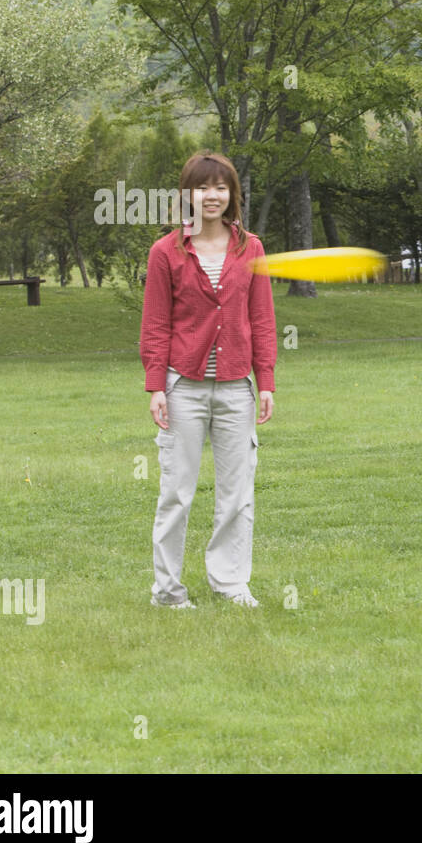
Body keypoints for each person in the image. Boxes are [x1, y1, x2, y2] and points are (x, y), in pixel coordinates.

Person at [140, 150, 277, 609]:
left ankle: (231, 583)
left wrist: (267, 381)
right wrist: (156, 386)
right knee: (176, 493)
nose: (212, 195)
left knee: (237, 494)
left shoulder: (250, 248)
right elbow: (156, 325)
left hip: (237, 388)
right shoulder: (166, 252)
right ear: (188, 195)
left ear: (232, 194)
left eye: (221, 187)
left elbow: (262, 319)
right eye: (202, 187)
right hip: (184, 388)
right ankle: (168, 592)